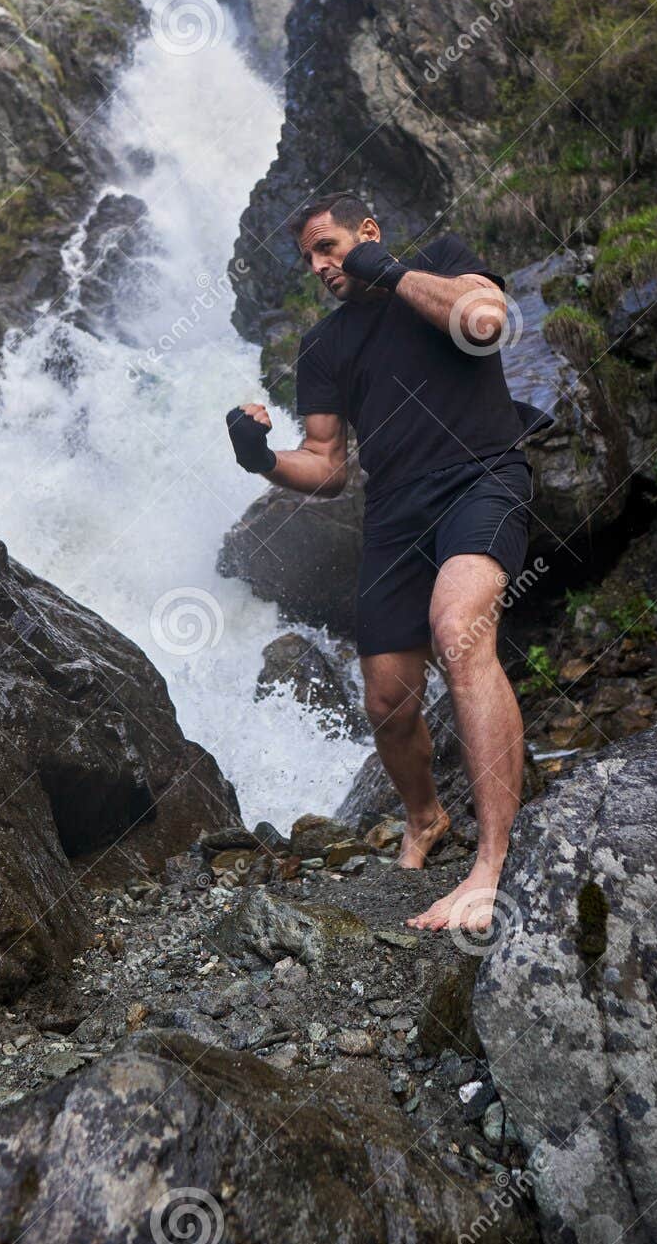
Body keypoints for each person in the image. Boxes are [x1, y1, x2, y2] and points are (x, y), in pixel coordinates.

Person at [226, 192, 550, 932]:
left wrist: (390, 271)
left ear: (368, 232)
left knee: (458, 627)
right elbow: (325, 464)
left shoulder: (438, 265)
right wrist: (259, 460)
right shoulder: (324, 346)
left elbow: (484, 321)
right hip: (394, 509)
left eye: (330, 246)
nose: (319, 265)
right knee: (387, 700)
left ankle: (491, 866)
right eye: (309, 257)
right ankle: (425, 817)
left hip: (481, 476)